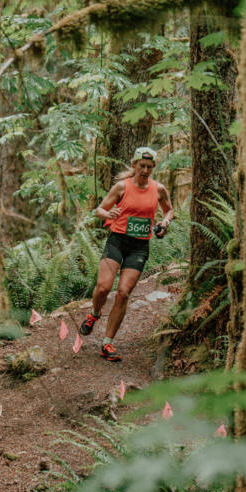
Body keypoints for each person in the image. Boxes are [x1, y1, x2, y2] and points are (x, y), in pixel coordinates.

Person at [80, 146, 174, 361]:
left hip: (139, 247)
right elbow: (99, 211)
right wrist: (109, 212)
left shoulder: (159, 189)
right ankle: (94, 314)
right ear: (134, 165)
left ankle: (107, 344)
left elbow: (169, 209)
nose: (145, 170)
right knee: (103, 288)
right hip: (117, 241)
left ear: (153, 168)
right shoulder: (122, 187)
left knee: (123, 293)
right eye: (142, 166)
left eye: (150, 167)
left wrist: (164, 222)